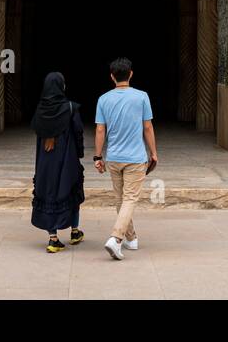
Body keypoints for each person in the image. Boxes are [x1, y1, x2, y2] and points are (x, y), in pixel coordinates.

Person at [92, 57, 158, 260]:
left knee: (121, 199)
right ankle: (116, 238)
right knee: (129, 199)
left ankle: (132, 238)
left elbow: (100, 129)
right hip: (135, 157)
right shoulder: (142, 97)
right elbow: (147, 127)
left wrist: (97, 156)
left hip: (113, 158)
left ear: (112, 77)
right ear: (130, 74)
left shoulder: (103, 99)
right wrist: (153, 153)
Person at [30, 72, 85, 253]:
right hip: (68, 160)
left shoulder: (40, 111)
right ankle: (75, 231)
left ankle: (53, 239)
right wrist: (80, 153)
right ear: (61, 87)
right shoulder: (70, 108)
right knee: (71, 190)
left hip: (46, 164)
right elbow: (78, 132)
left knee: (49, 193)